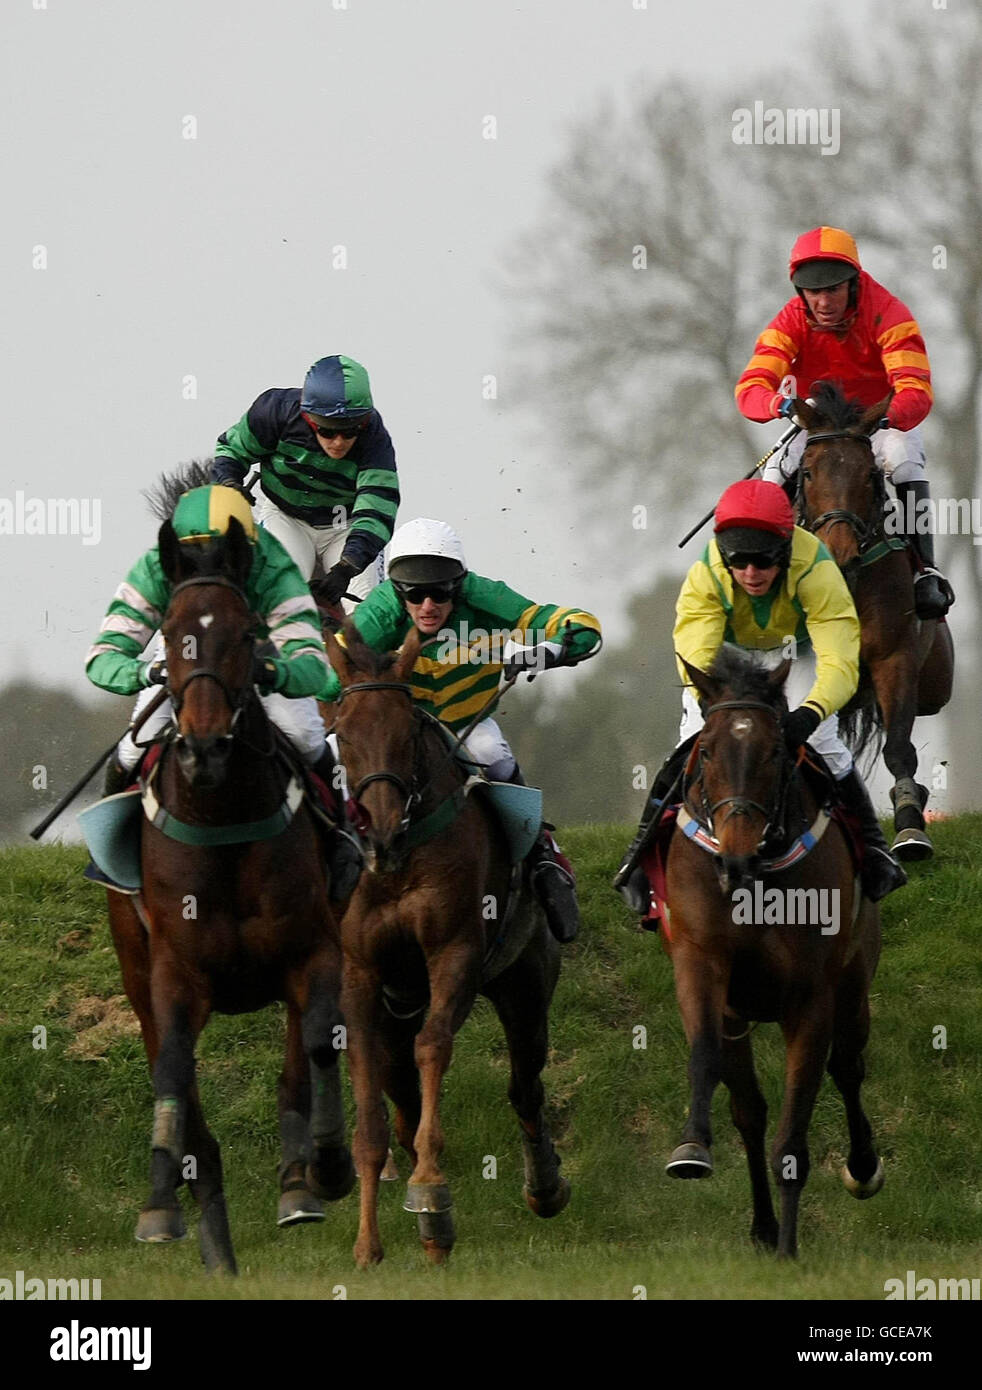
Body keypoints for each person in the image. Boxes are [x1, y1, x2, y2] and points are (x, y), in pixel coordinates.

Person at [613, 479, 907, 913]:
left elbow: (841, 659)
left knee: (823, 740)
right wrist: (706, 697)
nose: (751, 574)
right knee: (694, 740)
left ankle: (875, 849)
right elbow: (695, 647)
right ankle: (637, 858)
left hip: (799, 648)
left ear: (786, 550)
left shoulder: (816, 567)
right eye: (740, 562)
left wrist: (811, 712)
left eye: (764, 562)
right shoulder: (709, 570)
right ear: (724, 553)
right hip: (731, 653)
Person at [320, 517, 603, 943]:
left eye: (441, 591)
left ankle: (545, 859)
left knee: (495, 756)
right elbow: (326, 674)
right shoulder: (380, 613)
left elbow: (579, 623)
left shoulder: (488, 597)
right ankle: (318, 865)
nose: (428, 604)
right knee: (329, 758)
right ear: (397, 591)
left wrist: (554, 647)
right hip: (396, 728)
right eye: (415, 594)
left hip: (465, 722)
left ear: (460, 584)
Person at [85, 484, 358, 894]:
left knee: (305, 735)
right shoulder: (157, 566)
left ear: (244, 548)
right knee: (131, 748)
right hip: (184, 653)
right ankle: (111, 851)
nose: (209, 564)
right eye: (195, 553)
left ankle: (340, 840)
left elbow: (311, 664)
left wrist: (274, 672)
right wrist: (148, 673)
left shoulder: (273, 565)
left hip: (260, 650)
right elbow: (102, 657)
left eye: (222, 553)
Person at [735, 226, 952, 619]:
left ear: (853, 284)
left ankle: (925, 571)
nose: (822, 301)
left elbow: (915, 390)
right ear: (800, 290)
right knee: (774, 471)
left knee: (904, 460)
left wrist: (886, 417)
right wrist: (779, 405)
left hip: (877, 414)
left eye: (832, 289)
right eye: (812, 291)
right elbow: (750, 388)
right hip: (820, 417)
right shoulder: (789, 320)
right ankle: (767, 567)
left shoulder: (890, 314)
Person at [210, 354, 399, 609]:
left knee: (366, 612)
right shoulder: (273, 411)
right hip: (286, 518)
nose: (339, 442)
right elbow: (231, 450)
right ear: (310, 418)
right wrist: (230, 485)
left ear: (364, 421)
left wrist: (347, 567)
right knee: (282, 603)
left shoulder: (375, 439)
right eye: (327, 430)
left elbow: (378, 509)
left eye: (350, 429)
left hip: (345, 525)